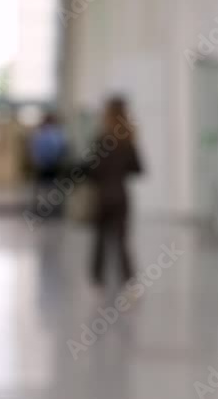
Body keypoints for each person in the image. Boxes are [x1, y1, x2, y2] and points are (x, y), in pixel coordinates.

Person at [84, 97, 143, 292]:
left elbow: (92, 170)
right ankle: (128, 280)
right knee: (122, 241)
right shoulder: (128, 140)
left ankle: (98, 280)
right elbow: (138, 168)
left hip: (102, 196)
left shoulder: (101, 139)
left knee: (100, 240)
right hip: (120, 195)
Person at [29, 113, 67, 220]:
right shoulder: (57, 133)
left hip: (42, 165)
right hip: (54, 165)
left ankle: (39, 208)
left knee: (40, 188)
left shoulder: (39, 134)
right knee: (54, 187)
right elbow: (62, 148)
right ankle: (54, 209)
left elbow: (34, 150)